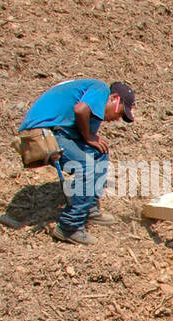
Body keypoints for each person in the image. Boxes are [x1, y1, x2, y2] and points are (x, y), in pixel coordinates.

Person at [19, 78, 135, 245]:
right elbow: (80, 110)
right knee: (86, 167)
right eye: (120, 113)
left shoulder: (92, 99)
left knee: (99, 152)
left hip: (56, 131)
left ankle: (89, 207)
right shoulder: (101, 89)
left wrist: (90, 139)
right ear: (114, 99)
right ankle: (69, 227)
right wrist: (88, 137)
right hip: (42, 131)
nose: (117, 119)